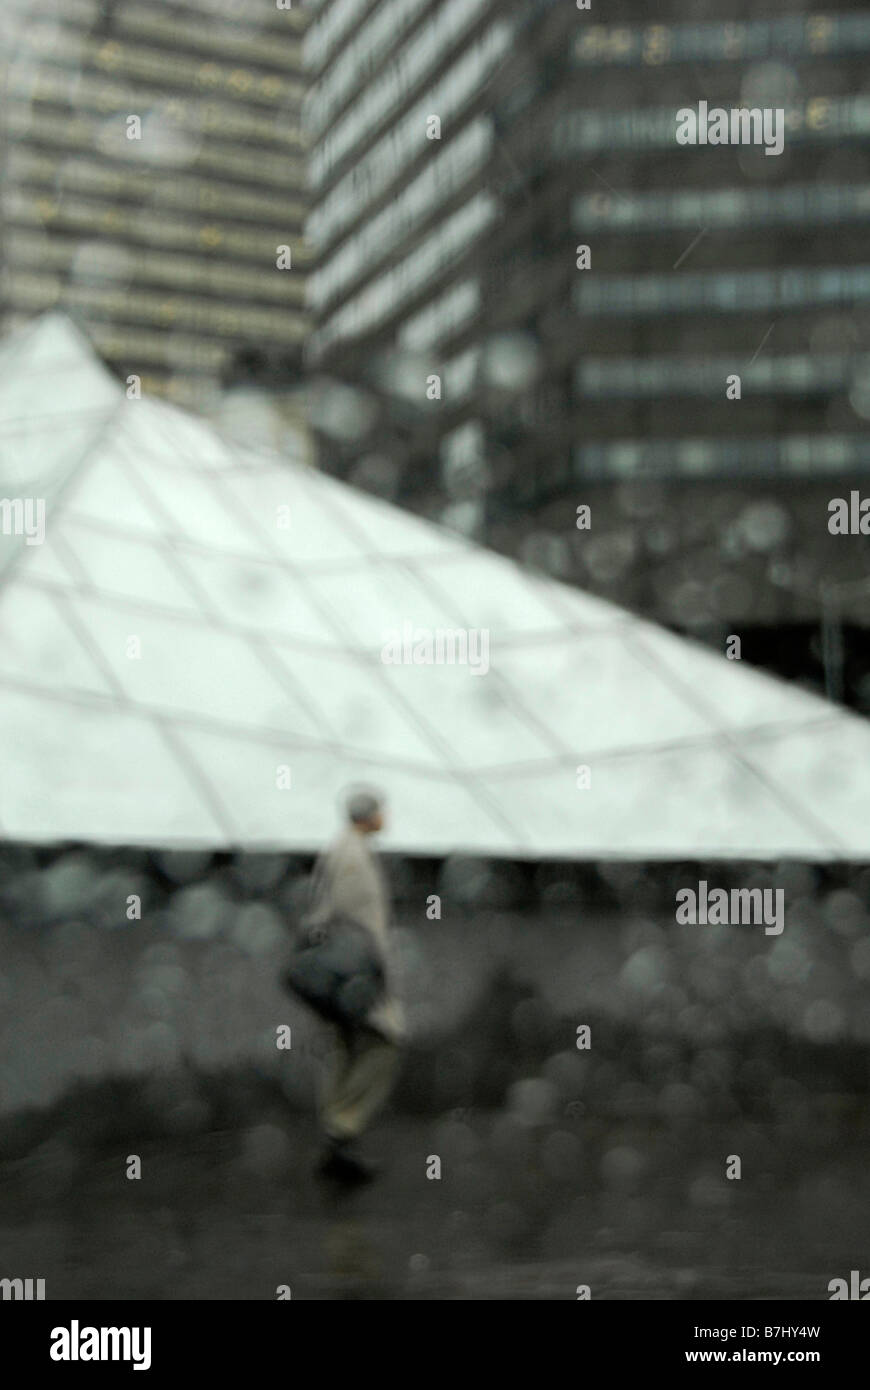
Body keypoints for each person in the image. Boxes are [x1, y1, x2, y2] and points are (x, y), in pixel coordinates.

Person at [312, 788, 404, 1184]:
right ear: (368, 815)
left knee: (349, 1047)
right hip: (354, 973)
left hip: (347, 970)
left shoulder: (348, 848)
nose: (386, 815)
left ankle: (338, 1145)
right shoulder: (351, 855)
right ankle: (341, 1128)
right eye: (381, 809)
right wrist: (365, 972)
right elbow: (351, 918)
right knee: (384, 1044)